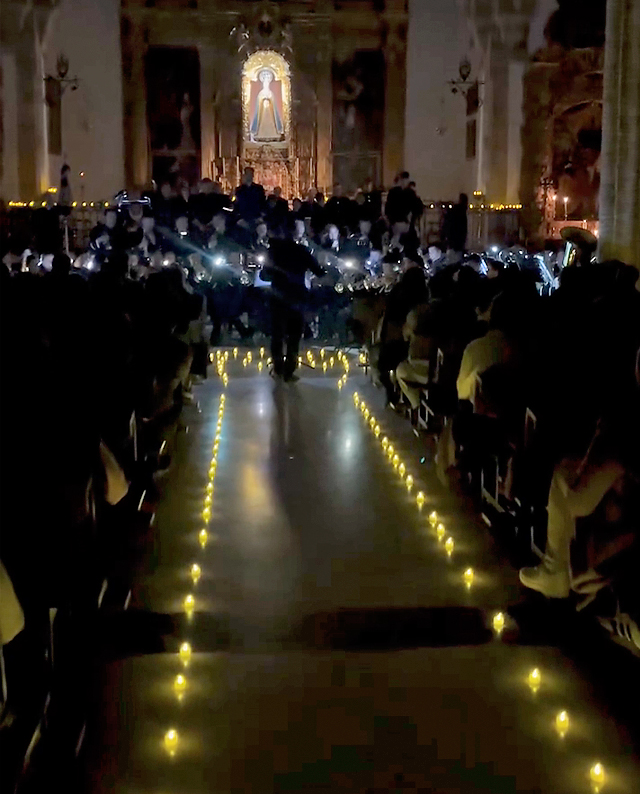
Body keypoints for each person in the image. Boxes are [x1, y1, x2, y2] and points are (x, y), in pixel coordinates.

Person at [261, 226, 324, 381]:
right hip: (297, 296)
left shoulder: (273, 252)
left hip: (278, 296)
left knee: (277, 334)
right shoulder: (301, 250)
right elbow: (318, 271)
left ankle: (278, 368)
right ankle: (289, 371)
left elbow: (265, 275)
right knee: (294, 336)